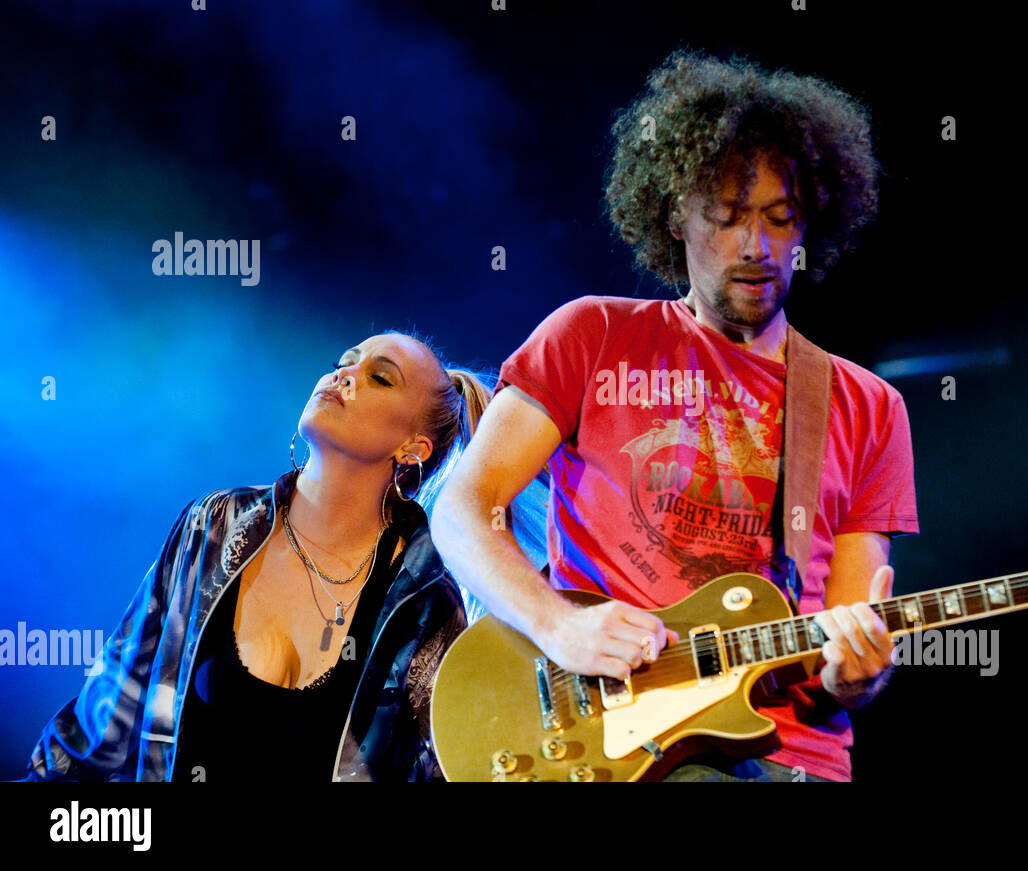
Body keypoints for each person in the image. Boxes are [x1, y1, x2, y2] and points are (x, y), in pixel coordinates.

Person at [429, 49, 920, 782]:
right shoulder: (591, 335)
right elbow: (464, 512)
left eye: (780, 218)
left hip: (792, 758)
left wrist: (859, 671)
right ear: (673, 216)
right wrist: (558, 625)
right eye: (726, 217)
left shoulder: (869, 405)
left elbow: (845, 645)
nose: (756, 246)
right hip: (613, 739)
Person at [22, 331, 491, 781]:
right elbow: (107, 716)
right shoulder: (215, 525)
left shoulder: (424, 599)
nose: (344, 375)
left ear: (413, 448)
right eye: (344, 362)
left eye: (380, 377)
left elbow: (455, 767)